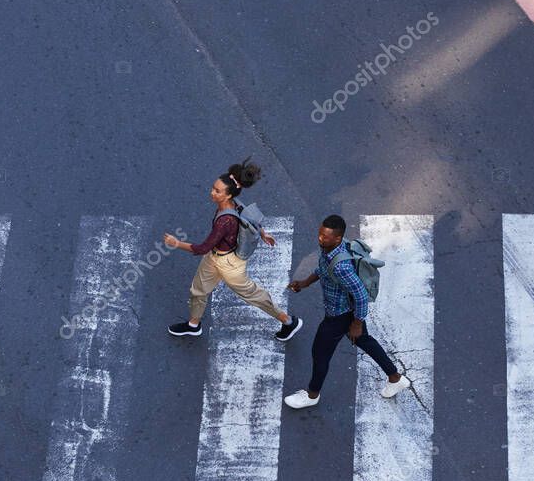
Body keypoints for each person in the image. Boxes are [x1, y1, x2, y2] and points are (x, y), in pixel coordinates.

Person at [162, 159, 302, 341]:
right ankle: (193, 325)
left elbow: (202, 248)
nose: (212, 193)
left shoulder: (224, 221)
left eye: (217, 191)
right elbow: (250, 217)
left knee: (252, 295)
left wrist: (176, 243)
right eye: (213, 187)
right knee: (198, 290)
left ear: (228, 196)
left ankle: (288, 321)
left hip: (230, 264)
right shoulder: (235, 202)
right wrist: (262, 233)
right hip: (215, 258)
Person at [283, 214, 410, 409]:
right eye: (320, 234)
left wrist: (356, 323)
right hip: (347, 312)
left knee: (320, 353)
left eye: (325, 237)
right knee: (365, 342)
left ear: (338, 238)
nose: (320, 239)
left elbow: (360, 294)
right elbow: (323, 269)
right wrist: (304, 283)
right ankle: (395, 378)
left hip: (339, 316)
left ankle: (312, 394)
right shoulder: (331, 249)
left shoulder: (342, 266)